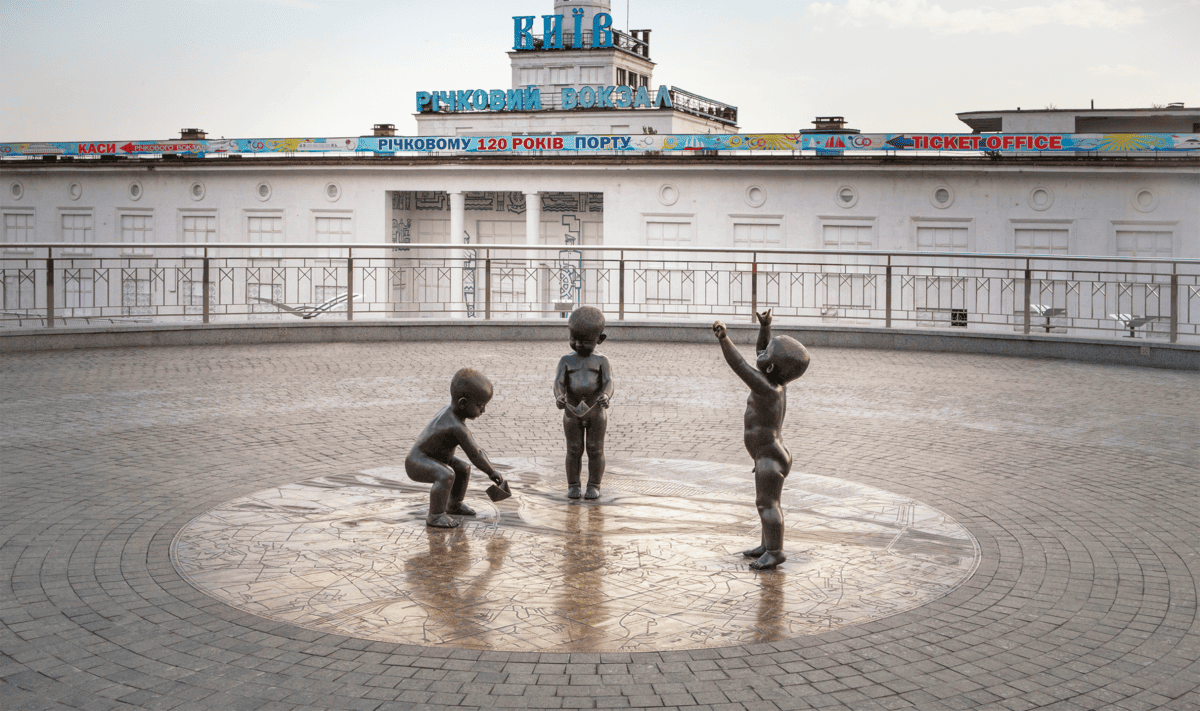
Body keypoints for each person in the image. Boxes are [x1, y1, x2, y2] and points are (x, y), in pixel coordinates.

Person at [711, 310, 810, 570]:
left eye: (766, 353)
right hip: (768, 453)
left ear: (769, 368)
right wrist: (765, 327)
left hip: (770, 457)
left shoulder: (765, 387)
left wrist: (724, 339)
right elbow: (760, 355)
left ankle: (775, 551)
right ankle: (766, 546)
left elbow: (741, 366)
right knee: (766, 503)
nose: (761, 352)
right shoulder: (775, 380)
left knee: (767, 504)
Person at [406, 368, 507, 528]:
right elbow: (476, 454)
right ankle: (435, 515)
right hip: (418, 461)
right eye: (480, 405)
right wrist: (491, 471)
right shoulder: (456, 426)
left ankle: (454, 504)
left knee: (463, 468)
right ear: (463, 403)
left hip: (435, 456)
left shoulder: (450, 412)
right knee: (446, 475)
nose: (483, 410)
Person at [554, 306, 615, 500]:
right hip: (572, 412)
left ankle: (594, 484)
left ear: (600, 339)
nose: (578, 344)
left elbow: (608, 382)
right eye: (574, 339)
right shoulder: (566, 360)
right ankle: (573, 484)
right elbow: (558, 382)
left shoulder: (601, 361)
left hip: (596, 411)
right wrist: (559, 396)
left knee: (595, 448)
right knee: (573, 449)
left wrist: (606, 395)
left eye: (585, 341)